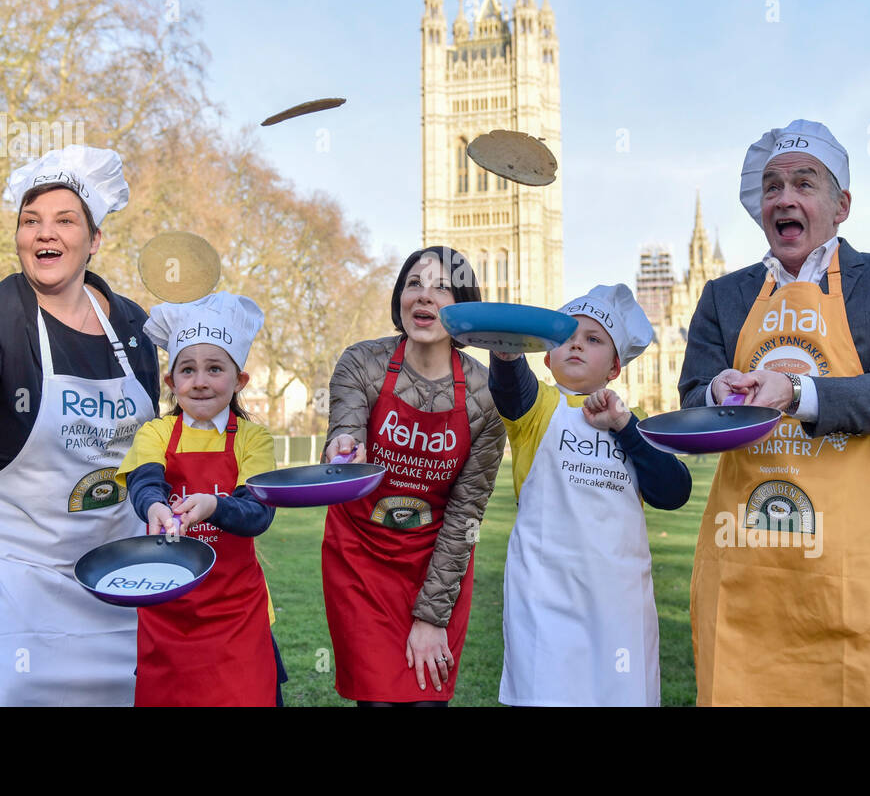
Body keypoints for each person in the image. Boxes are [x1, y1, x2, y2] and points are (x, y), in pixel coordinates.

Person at [677, 119, 870, 706]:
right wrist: (716, 396)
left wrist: (795, 394)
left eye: (805, 183)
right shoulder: (724, 295)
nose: (784, 197)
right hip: (749, 557)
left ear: (841, 204)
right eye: (772, 187)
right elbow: (692, 397)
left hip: (863, 562)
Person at [0, 145, 160, 706]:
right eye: (30, 221)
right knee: (10, 691)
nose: (45, 233)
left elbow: (150, 436)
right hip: (13, 568)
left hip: (115, 566)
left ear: (94, 241)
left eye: (65, 220)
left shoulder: (134, 326)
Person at [489, 284, 691, 706]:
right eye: (565, 337)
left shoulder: (632, 425)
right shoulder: (538, 409)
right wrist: (506, 352)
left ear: (615, 367)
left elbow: (673, 491)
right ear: (547, 356)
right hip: (545, 600)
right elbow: (510, 388)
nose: (576, 344)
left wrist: (624, 426)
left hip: (619, 606)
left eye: (593, 339)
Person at [320, 246, 506, 706]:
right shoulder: (362, 363)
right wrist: (343, 447)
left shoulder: (487, 395)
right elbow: (345, 426)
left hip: (437, 563)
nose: (424, 296)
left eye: (442, 287)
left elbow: (467, 514)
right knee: (377, 700)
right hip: (360, 560)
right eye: (414, 284)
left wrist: (432, 617)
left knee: (426, 699)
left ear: (465, 305)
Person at [117, 292, 283, 707]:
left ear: (239, 379)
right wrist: (154, 507)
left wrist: (213, 505)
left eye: (215, 369)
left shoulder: (253, 438)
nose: (201, 381)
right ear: (172, 383)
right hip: (167, 613)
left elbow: (257, 513)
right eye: (187, 370)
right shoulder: (155, 433)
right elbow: (145, 482)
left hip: (237, 613)